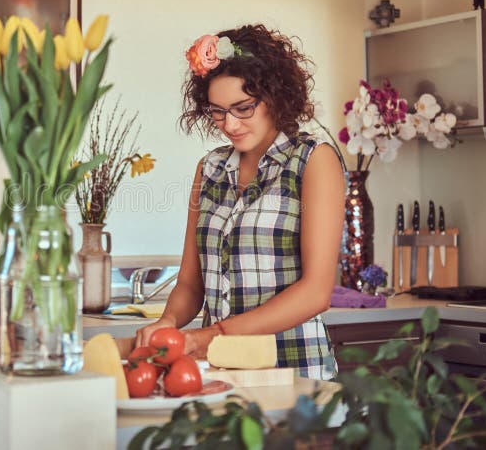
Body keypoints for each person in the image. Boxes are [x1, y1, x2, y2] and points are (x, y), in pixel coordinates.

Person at [135, 24, 344, 380]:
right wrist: (167, 322)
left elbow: (316, 292)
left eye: (243, 108)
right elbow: (190, 284)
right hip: (217, 372)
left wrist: (213, 336)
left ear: (276, 96)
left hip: (292, 368)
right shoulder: (211, 168)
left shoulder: (312, 160)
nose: (229, 124)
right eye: (217, 111)